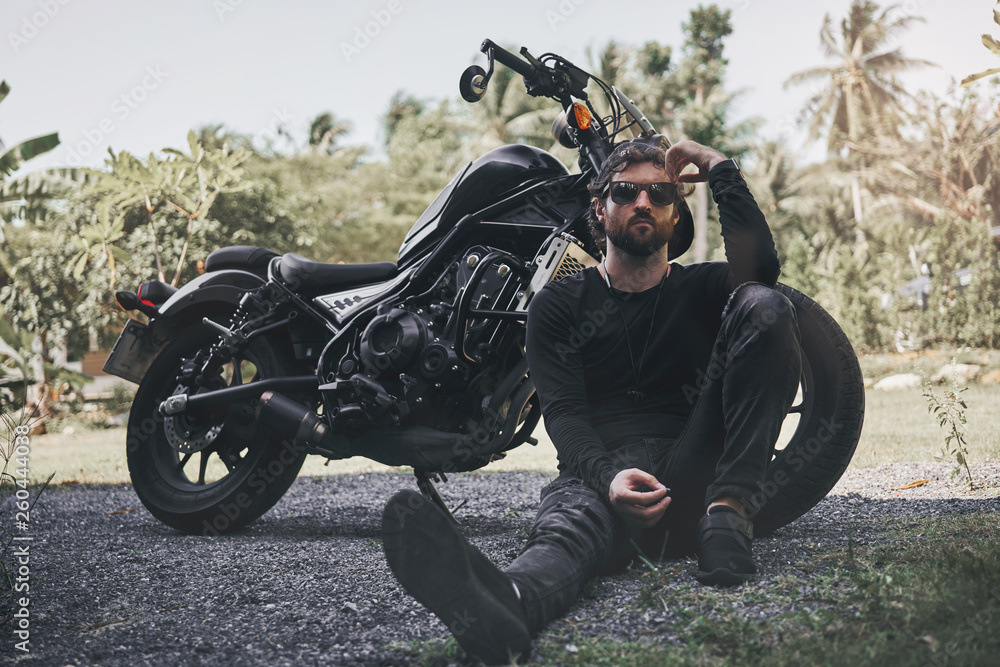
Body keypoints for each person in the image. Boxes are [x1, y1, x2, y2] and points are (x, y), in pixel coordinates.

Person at [380, 137, 802, 665]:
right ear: (599, 209)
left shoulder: (706, 287)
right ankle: (505, 604)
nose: (643, 203)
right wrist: (608, 479)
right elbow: (564, 414)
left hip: (696, 473)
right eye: (626, 191)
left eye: (660, 193)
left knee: (764, 303)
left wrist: (718, 167)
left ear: (676, 214)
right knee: (564, 532)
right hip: (604, 479)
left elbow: (762, 271)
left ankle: (730, 511)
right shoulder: (559, 303)